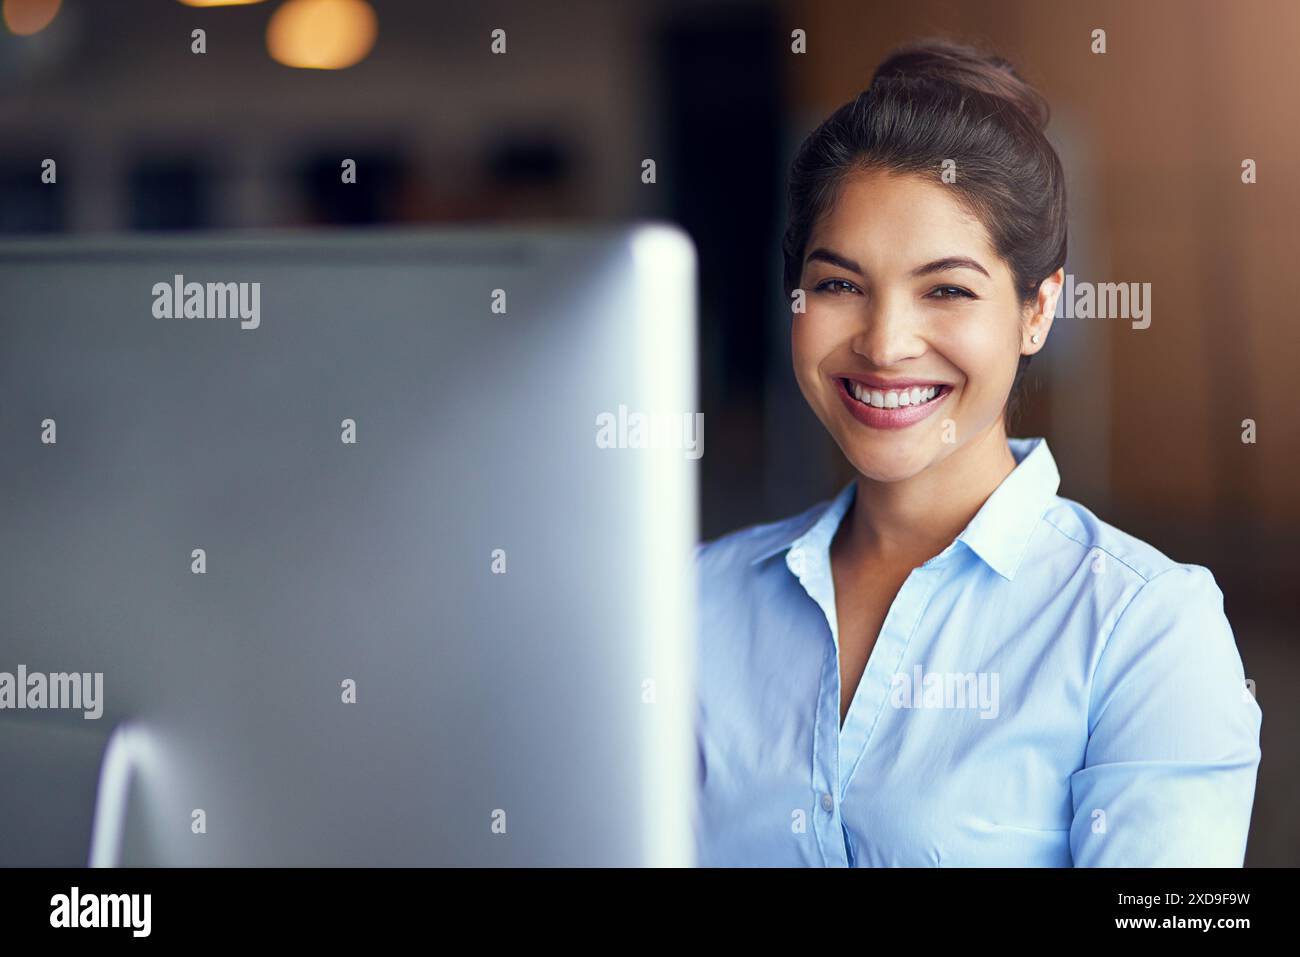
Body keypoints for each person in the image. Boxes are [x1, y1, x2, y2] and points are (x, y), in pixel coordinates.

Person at [693, 38, 1262, 867]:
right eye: (839, 284)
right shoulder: (690, 603)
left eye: (947, 289)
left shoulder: (1143, 630)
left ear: (1038, 309)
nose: (885, 344)